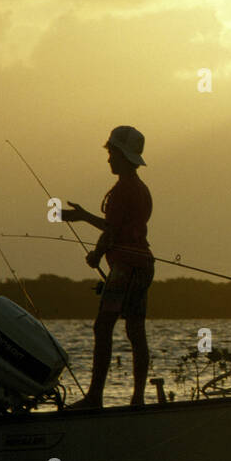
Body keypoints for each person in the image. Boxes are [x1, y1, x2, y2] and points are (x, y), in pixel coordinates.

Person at [62, 126, 154, 408]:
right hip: (143, 265)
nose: (109, 159)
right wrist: (95, 243)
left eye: (112, 153)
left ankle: (94, 397)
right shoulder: (140, 188)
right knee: (136, 332)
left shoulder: (123, 190)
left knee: (103, 327)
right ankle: (137, 399)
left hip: (125, 268)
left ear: (124, 156)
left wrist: (93, 247)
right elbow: (118, 228)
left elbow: (111, 230)